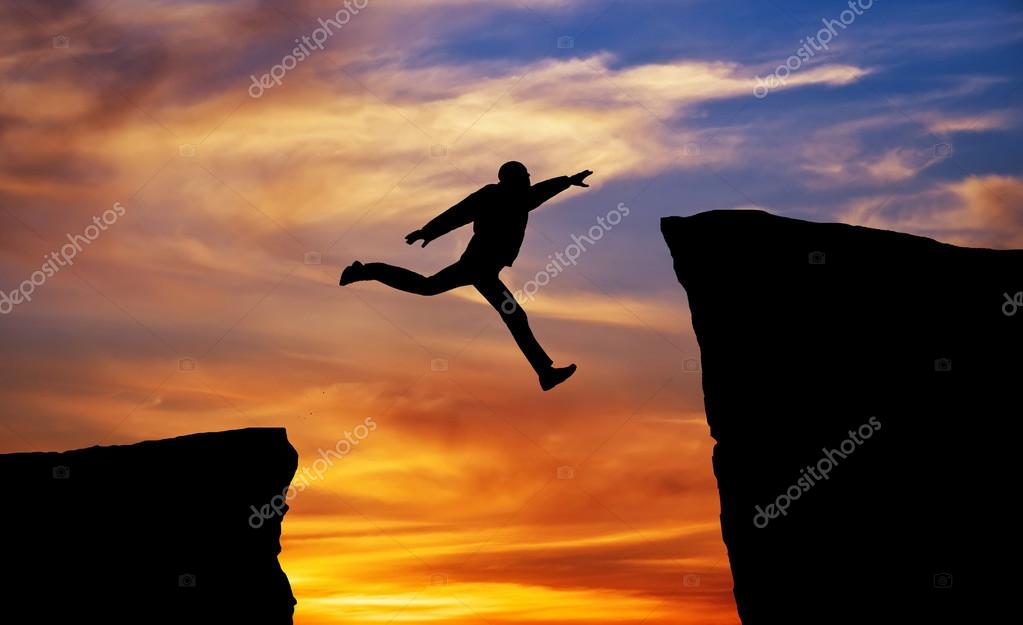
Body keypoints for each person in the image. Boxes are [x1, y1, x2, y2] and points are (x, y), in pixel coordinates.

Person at [340, 161, 593, 390]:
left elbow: (541, 191)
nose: (529, 178)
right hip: (478, 265)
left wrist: (569, 180)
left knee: (430, 288)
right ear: (512, 178)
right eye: (525, 175)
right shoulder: (493, 195)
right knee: (512, 315)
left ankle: (365, 270)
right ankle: (544, 373)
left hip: (484, 268)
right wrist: (429, 231)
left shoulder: (520, 198)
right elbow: (459, 213)